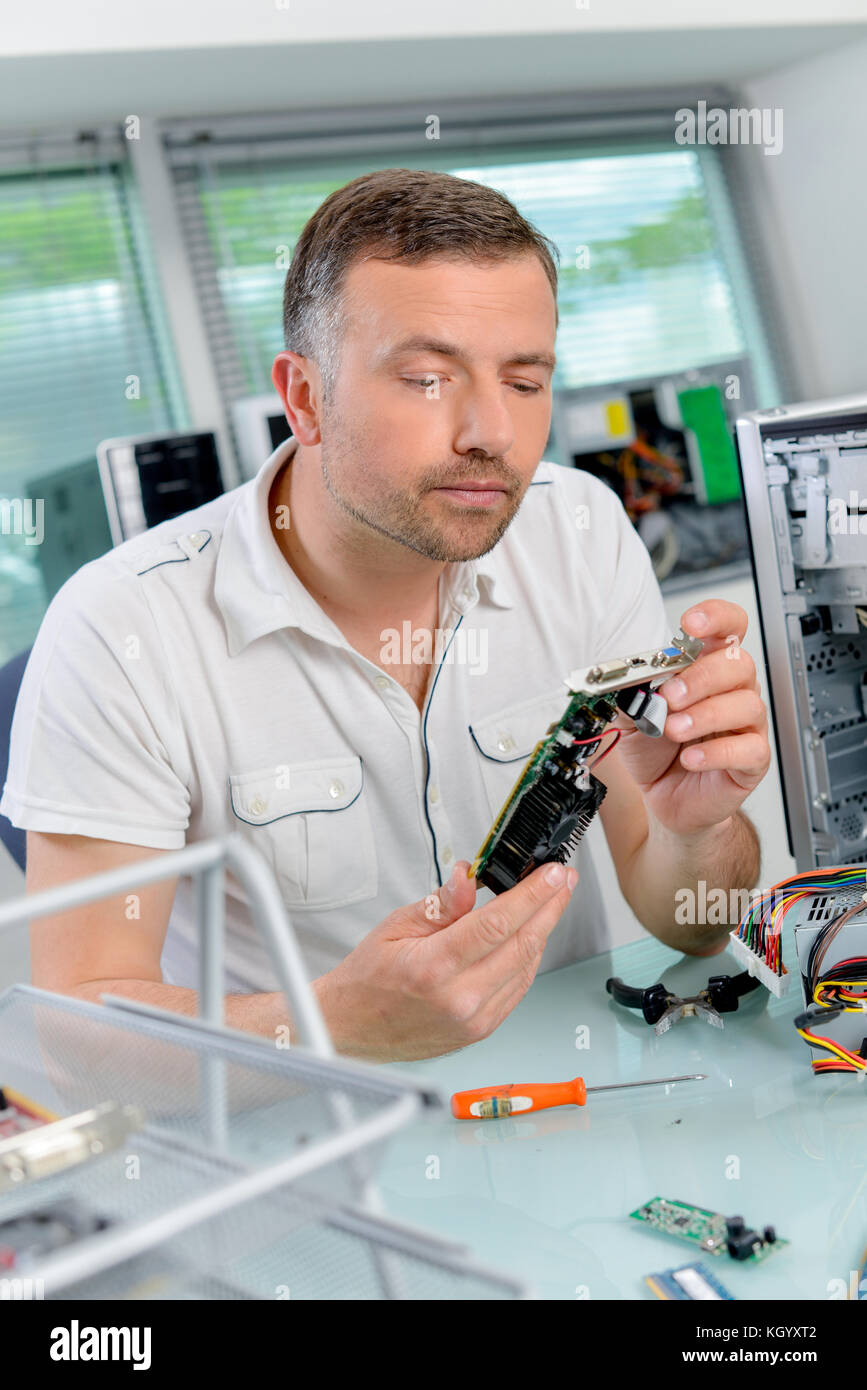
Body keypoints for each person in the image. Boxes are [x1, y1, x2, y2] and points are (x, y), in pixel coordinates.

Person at [0, 168, 771, 1062]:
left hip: (587, 1103)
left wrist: (696, 826)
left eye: (524, 384)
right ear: (304, 399)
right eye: (426, 379)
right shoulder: (121, 624)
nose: (490, 431)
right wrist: (330, 1026)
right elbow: (80, 1026)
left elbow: (690, 930)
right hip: (314, 1140)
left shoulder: (582, 527)